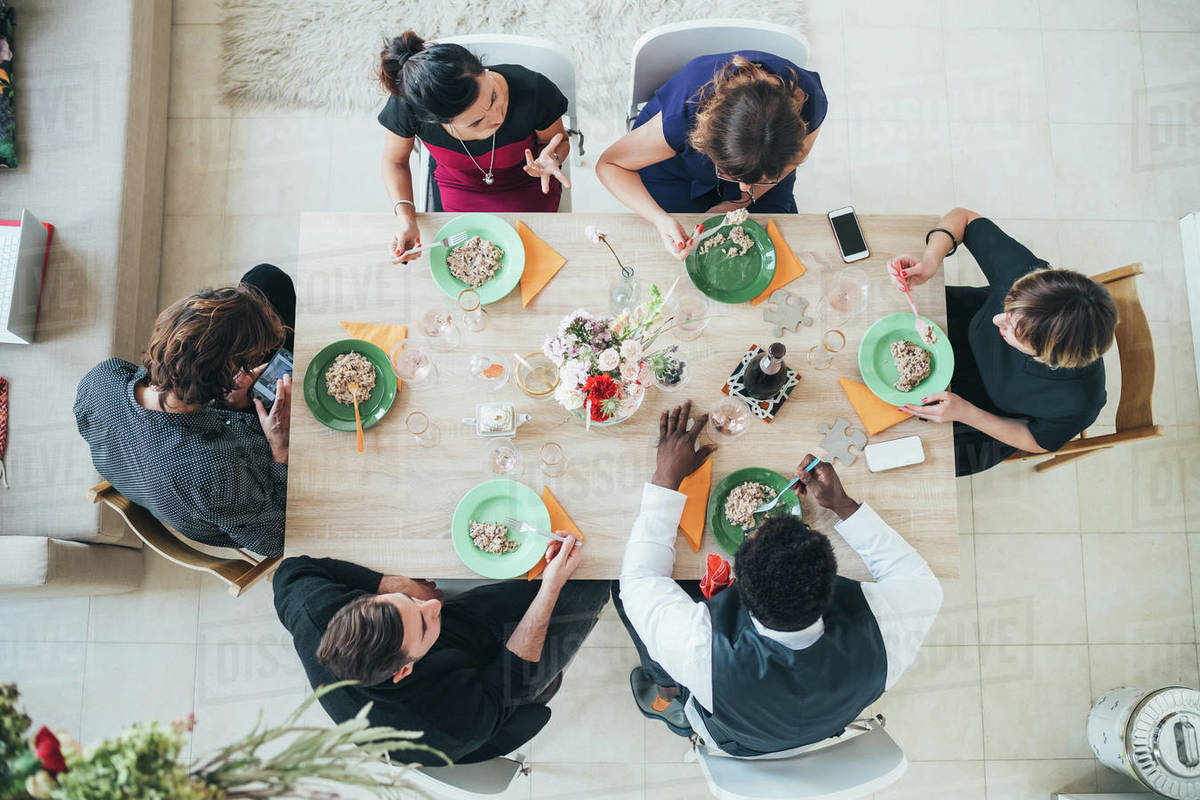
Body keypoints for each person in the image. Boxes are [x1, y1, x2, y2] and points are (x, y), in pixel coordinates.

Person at [612, 401, 943, 757]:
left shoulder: (701, 652)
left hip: (736, 740)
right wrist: (842, 504)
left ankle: (669, 693)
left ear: (738, 590)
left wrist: (666, 477)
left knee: (621, 593)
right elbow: (921, 581)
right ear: (832, 581)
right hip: (813, 728)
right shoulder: (888, 632)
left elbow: (638, 579)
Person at [273, 543, 609, 766]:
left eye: (409, 605)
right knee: (592, 582)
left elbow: (290, 570)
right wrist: (550, 588)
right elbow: (514, 676)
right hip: (487, 699)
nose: (434, 604)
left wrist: (395, 585)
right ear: (404, 671)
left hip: (462, 638)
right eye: (422, 624)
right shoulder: (447, 726)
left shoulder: (315, 609)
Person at [73, 265, 294, 557]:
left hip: (194, 453)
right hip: (248, 487)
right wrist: (280, 449)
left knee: (263, 280)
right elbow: (277, 541)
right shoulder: (215, 470)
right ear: (225, 378)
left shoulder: (101, 379)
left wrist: (223, 401)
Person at [888, 208, 1118, 476]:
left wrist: (966, 413)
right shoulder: (1028, 277)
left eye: (1014, 329)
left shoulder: (1079, 401)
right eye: (1008, 306)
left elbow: (1036, 441)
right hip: (965, 325)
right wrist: (930, 261)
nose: (997, 319)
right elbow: (963, 218)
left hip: (986, 410)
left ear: (1047, 358)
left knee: (907, 455)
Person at [596, 51, 826, 261]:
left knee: (778, 246)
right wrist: (660, 219)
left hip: (764, 161)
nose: (745, 187)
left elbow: (792, 162)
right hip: (674, 167)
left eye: (758, 180)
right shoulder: (681, 116)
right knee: (675, 250)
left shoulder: (811, 103)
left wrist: (742, 200)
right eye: (736, 178)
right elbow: (609, 165)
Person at [378, 31, 572, 264]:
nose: (497, 117)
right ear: (435, 121)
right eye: (476, 122)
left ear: (478, 63)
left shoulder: (534, 90)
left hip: (527, 183)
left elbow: (558, 142)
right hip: (458, 187)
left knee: (533, 261)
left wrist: (553, 157)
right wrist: (406, 220)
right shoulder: (408, 107)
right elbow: (395, 161)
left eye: (493, 97)